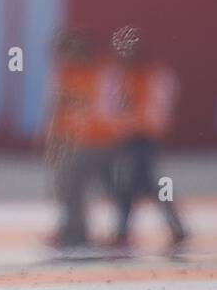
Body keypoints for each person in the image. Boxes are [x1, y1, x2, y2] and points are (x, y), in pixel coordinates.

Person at [105, 27, 187, 248]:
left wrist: (138, 124)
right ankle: (173, 226)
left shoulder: (155, 74)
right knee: (137, 182)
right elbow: (113, 105)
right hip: (129, 137)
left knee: (136, 182)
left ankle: (125, 230)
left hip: (144, 136)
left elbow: (159, 106)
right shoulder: (121, 75)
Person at [43, 30, 117, 249]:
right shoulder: (65, 74)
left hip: (101, 140)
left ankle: (80, 230)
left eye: (64, 54)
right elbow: (57, 110)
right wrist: (53, 138)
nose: (62, 59)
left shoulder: (101, 73)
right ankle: (74, 229)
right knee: (67, 185)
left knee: (121, 187)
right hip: (76, 142)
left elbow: (105, 109)